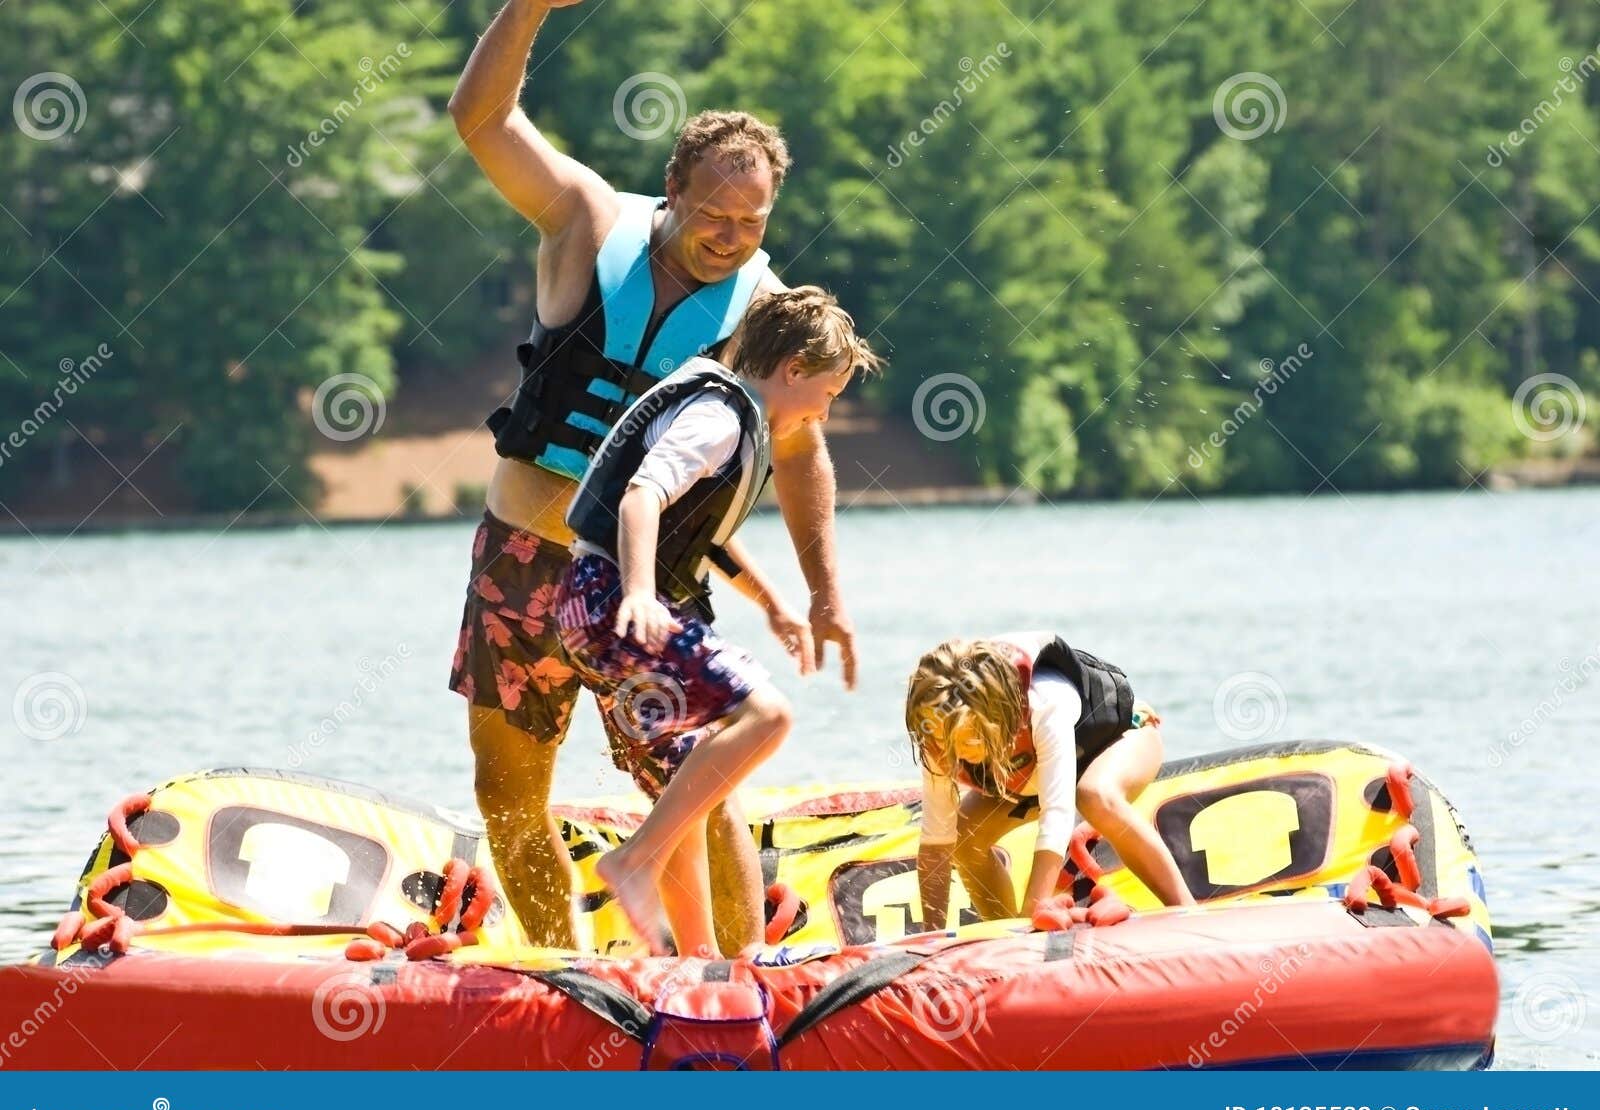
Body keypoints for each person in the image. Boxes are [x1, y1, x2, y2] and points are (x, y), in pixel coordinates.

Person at [446, 0, 858, 950]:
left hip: (651, 591)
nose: (728, 235)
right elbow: (482, 121)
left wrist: (823, 590)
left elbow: (799, 447)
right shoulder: (588, 220)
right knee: (508, 789)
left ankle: (740, 981)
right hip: (522, 562)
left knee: (696, 788)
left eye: (750, 222)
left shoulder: (764, 310)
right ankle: (569, 977)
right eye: (712, 212)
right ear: (671, 186)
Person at [554, 287, 881, 956]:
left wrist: (775, 605)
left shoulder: (729, 418)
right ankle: (634, 859)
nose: (825, 409)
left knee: (686, 789)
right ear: (793, 369)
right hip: (616, 599)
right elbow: (644, 494)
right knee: (769, 714)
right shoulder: (720, 416)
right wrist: (640, 591)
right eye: (827, 392)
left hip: (584, 609)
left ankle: (701, 968)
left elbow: (701, 532)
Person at [904, 632, 1197, 930]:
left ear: (999, 717)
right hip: (1029, 776)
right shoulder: (940, 734)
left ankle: (1188, 912)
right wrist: (932, 936)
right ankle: (1002, 932)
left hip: (1118, 738)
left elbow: (1056, 817)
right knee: (964, 836)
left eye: (966, 740)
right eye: (942, 740)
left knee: (1094, 795)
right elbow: (935, 845)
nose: (952, 752)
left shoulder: (1046, 705)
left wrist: (1033, 917)